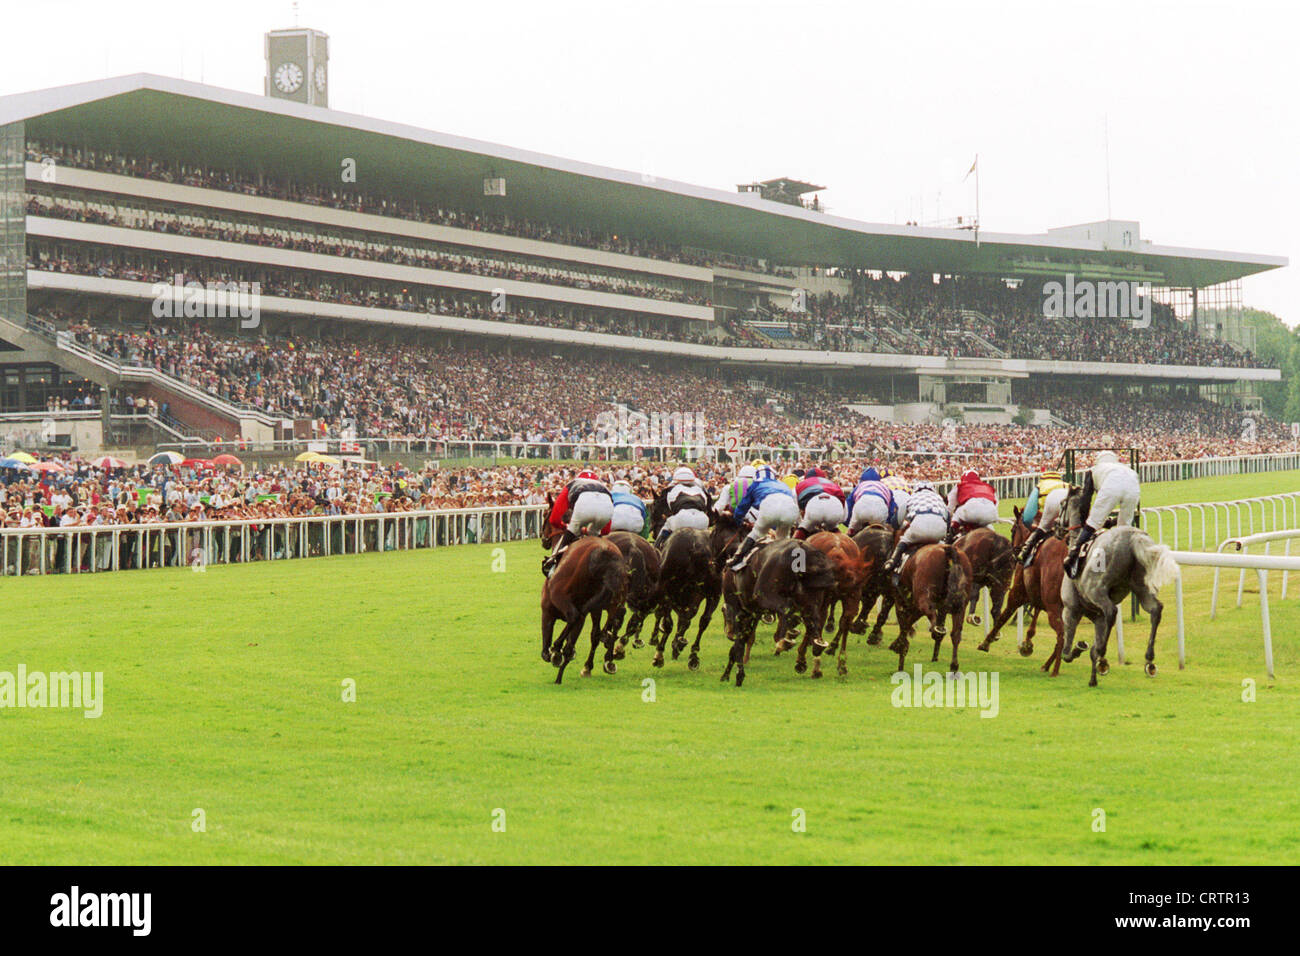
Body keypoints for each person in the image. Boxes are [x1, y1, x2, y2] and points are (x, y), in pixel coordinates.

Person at [1065, 451, 1140, 579]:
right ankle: (1131, 560)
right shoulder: (1126, 468)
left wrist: (1084, 523)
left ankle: (1072, 556)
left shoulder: (1093, 470)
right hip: (1134, 485)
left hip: (1112, 485)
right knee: (1124, 528)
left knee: (1093, 522)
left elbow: (1085, 500)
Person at [543, 469, 613, 576]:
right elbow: (606, 530)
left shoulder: (572, 484)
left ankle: (554, 567)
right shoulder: (605, 488)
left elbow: (554, 519)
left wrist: (566, 526)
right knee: (595, 537)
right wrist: (588, 531)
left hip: (583, 508)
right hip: (606, 509)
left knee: (572, 530)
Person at [728, 466, 799, 570]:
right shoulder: (782, 484)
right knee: (784, 539)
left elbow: (743, 506)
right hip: (790, 509)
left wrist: (738, 521)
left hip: (769, 507)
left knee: (756, 533)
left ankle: (737, 560)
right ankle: (796, 566)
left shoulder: (755, 484)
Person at [883, 480, 950, 578]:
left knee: (904, 540)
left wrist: (901, 526)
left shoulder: (911, 498)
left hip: (918, 528)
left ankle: (892, 562)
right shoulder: (939, 498)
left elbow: (896, 522)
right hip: (939, 530)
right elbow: (948, 521)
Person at [1016, 467, 1067, 566]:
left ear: (1042, 479)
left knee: (1043, 528)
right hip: (1068, 506)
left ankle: (1024, 552)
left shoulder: (1039, 486)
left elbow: (1027, 517)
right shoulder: (1066, 485)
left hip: (1051, 508)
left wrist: (1031, 526)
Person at [654, 466, 710, 546]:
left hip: (682, 519)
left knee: (667, 524)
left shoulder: (670, 490)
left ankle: (657, 549)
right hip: (702, 520)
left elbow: (665, 510)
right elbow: (708, 509)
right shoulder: (700, 490)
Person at [793, 466, 846, 540]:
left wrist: (800, 524)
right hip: (834, 506)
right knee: (833, 527)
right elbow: (844, 510)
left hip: (814, 508)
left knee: (804, 527)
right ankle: (843, 542)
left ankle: (794, 548)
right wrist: (836, 523)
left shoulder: (800, 485)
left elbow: (795, 510)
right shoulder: (833, 484)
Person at [946, 468, 999, 539]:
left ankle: (950, 534)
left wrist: (948, 517)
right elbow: (996, 502)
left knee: (958, 511)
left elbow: (951, 505)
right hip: (992, 513)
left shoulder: (960, 486)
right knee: (988, 525)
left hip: (971, 512)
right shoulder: (987, 486)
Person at [846, 466, 893, 533]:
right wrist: (888, 523)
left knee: (851, 533)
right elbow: (892, 510)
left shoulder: (860, 486)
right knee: (884, 535)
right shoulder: (885, 487)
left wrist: (849, 525)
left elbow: (849, 506)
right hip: (880, 511)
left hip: (861, 508)